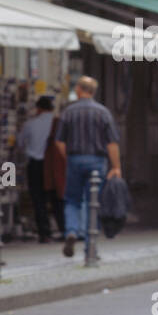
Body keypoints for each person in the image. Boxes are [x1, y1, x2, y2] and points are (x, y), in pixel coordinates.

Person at [54, 77, 122, 257]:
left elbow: (59, 141)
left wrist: (68, 156)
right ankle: (90, 246)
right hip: (97, 161)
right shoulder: (103, 112)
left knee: (72, 200)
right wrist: (116, 166)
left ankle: (71, 231)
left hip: (75, 159)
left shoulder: (68, 112)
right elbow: (112, 143)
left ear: (78, 89)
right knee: (93, 202)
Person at [17, 95, 61, 242]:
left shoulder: (31, 124)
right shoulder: (58, 123)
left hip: (35, 164)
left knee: (38, 198)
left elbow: (20, 143)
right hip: (53, 164)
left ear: (39, 109)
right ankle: (64, 228)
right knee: (56, 196)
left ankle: (44, 232)